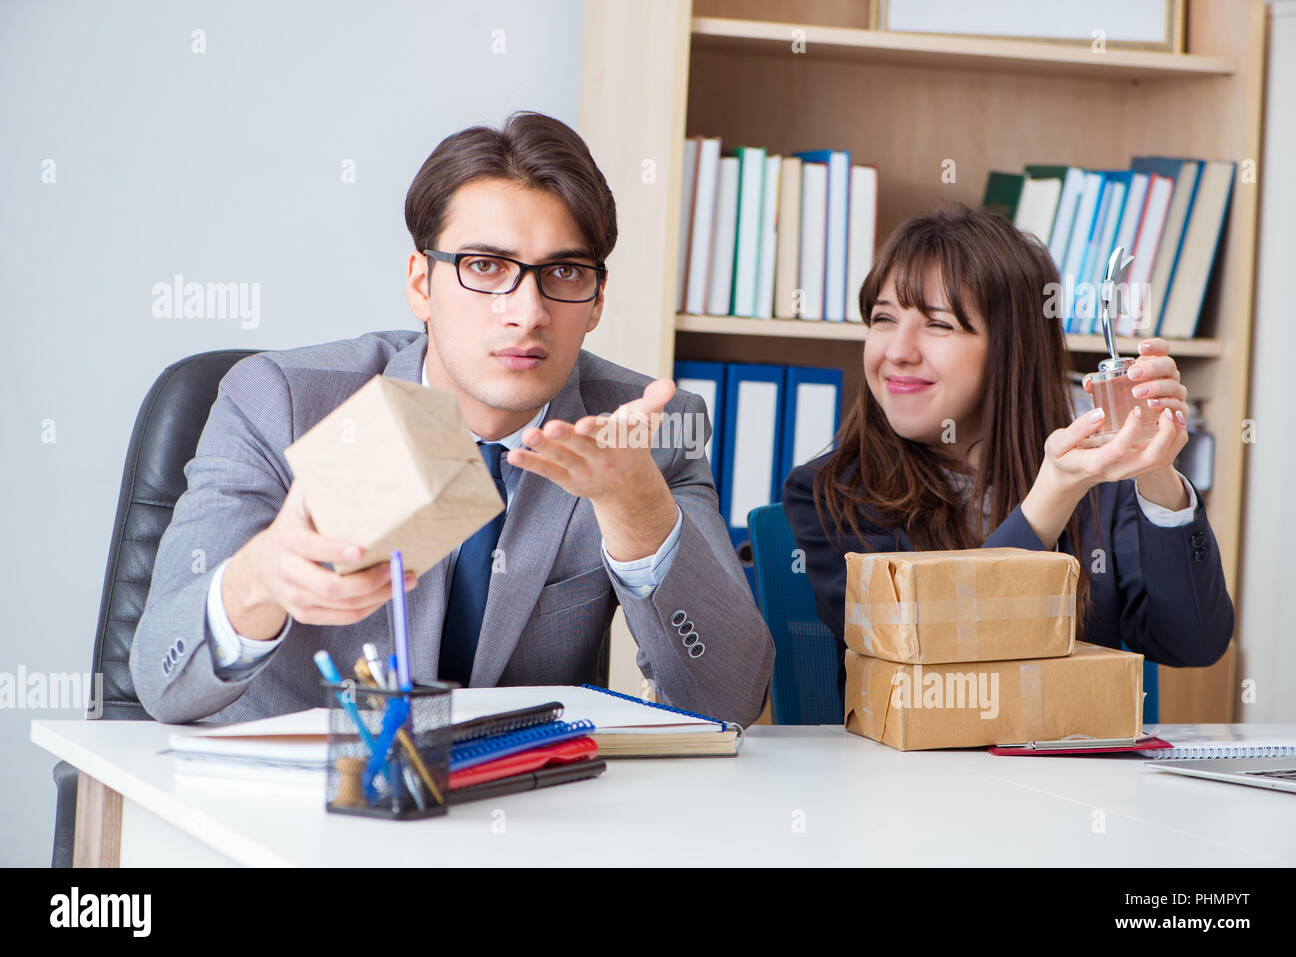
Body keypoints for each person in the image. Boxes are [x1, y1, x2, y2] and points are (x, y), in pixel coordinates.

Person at [131, 112, 774, 726]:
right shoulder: (283, 405)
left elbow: (727, 701)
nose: (527, 312)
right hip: (298, 813)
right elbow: (160, 681)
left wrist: (637, 511)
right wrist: (257, 580)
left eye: (564, 272)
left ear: (597, 300)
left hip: (517, 815)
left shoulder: (640, 433)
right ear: (421, 285)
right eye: (485, 267)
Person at [783, 204, 1233, 701]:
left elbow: (1193, 643)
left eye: (939, 325)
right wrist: (1051, 498)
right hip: (914, 774)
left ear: (1011, 350)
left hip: (1072, 767)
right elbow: (927, 654)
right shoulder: (832, 491)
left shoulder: (1099, 477)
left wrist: (1156, 473)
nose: (897, 351)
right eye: (883, 318)